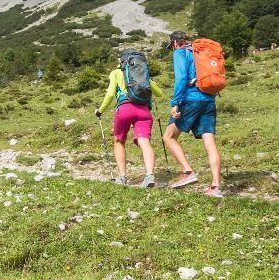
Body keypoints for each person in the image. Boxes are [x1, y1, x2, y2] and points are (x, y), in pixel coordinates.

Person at [163, 30, 222, 195]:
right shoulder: (200, 53)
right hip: (209, 100)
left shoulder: (180, 53)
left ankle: (188, 172)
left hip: (190, 100)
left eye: (172, 46)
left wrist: (175, 103)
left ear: (175, 43)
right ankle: (215, 187)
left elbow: (181, 78)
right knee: (210, 143)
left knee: (168, 136)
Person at [95, 52, 156, 186]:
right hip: (144, 111)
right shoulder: (142, 73)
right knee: (144, 141)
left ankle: (122, 177)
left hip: (125, 109)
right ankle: (149, 176)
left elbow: (110, 94)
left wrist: (100, 110)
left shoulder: (116, 73)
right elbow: (158, 92)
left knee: (119, 141)